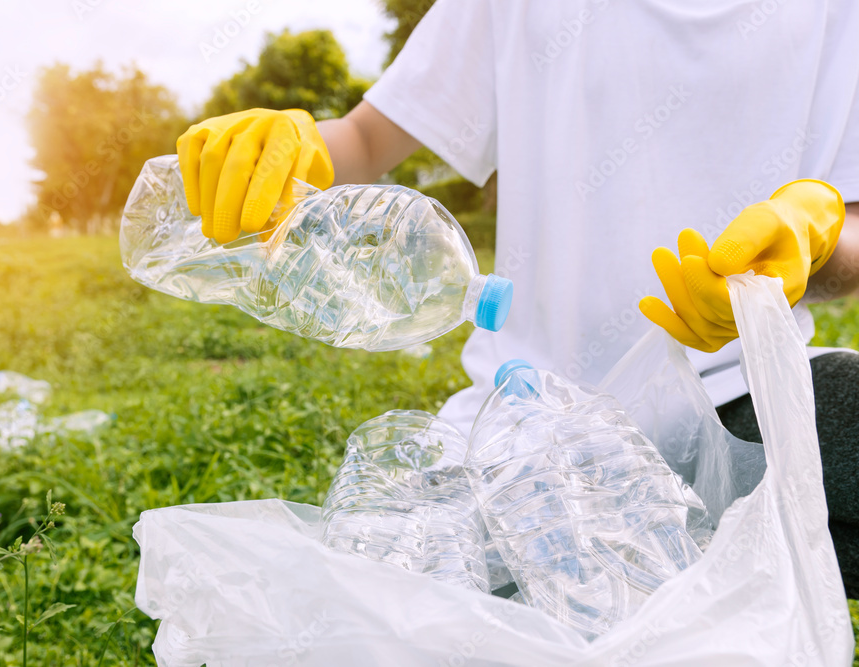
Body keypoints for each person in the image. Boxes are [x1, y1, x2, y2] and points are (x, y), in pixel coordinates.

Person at [176, 1, 859, 593]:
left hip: (748, 403)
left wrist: (815, 235)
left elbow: (849, 229)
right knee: (413, 597)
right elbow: (364, 139)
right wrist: (299, 149)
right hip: (525, 416)